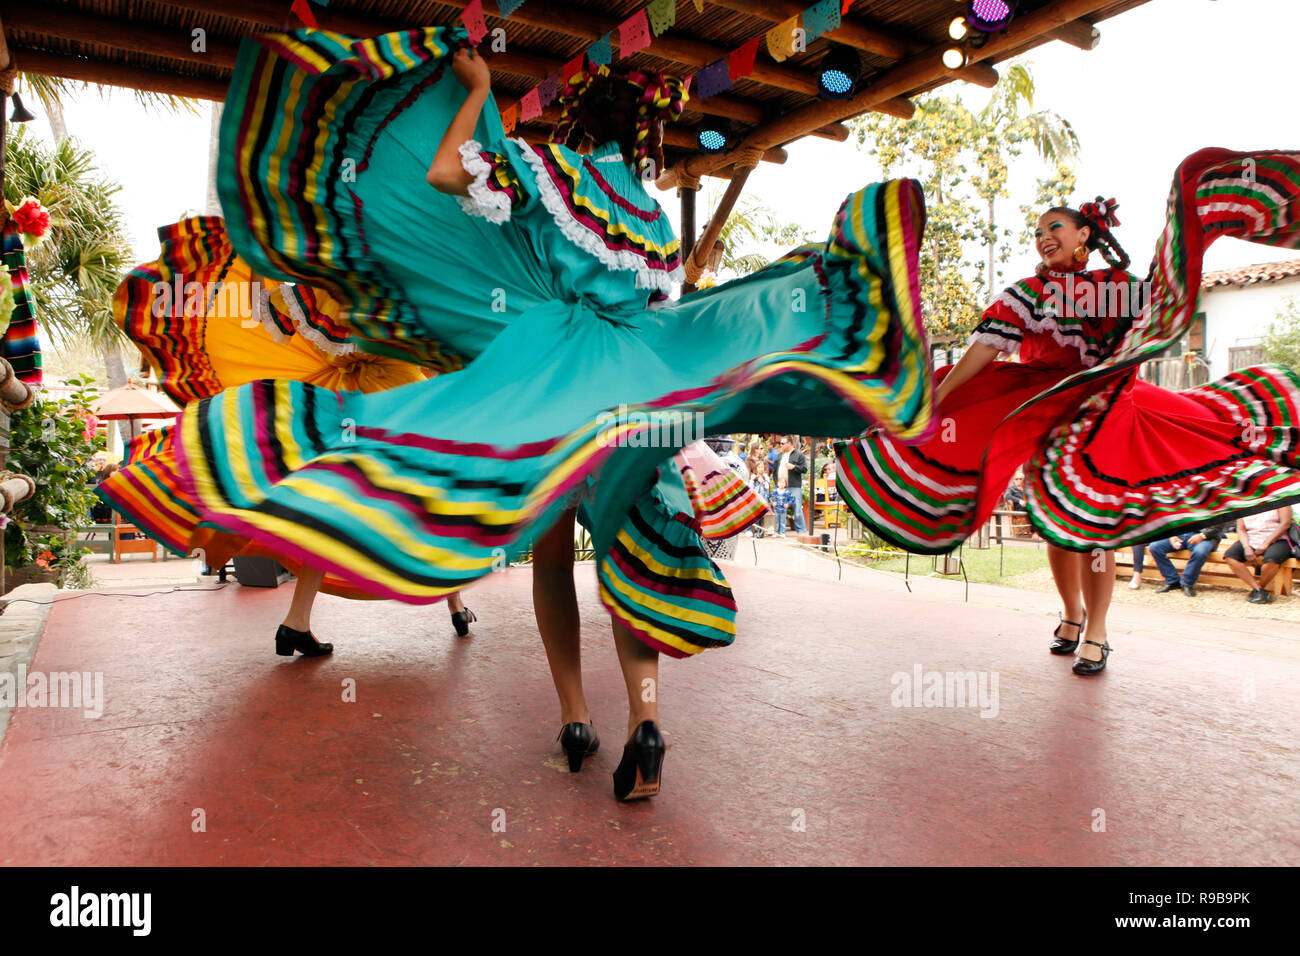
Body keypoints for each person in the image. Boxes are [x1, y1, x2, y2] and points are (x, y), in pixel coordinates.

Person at [184, 27, 935, 800]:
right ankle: (647, 719)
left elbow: (445, 172)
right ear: (646, 135)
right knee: (632, 547)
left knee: (551, 561)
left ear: (576, 124)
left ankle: (575, 715)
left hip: (559, 386)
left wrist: (476, 92)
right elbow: (661, 306)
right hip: (641, 393)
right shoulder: (653, 217)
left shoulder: (553, 172)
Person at [839, 148, 1300, 677]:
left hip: (1107, 414)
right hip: (1043, 414)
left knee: (1095, 525)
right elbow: (984, 351)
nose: (1043, 238)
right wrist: (937, 399)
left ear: (1085, 234)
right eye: (1037, 233)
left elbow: (1162, 309)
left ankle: (1098, 633)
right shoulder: (1029, 294)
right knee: (1057, 524)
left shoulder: (1121, 289)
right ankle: (1071, 613)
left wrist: (1185, 232)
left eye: (1054, 226)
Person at [96, 217, 480, 651]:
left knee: (331, 508)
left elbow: (277, 305)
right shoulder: (387, 270)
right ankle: (453, 605)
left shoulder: (322, 274)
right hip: (388, 391)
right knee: (440, 494)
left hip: (341, 393)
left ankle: (300, 621)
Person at [1223, 508, 1296, 603]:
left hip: (1278, 539)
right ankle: (1257, 589)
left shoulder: (1280, 501)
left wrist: (1266, 543)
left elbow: (1285, 524)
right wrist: (1246, 547)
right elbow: (1241, 529)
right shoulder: (1243, 504)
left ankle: (1259, 588)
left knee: (1272, 559)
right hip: (1251, 539)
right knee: (1230, 556)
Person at [1148, 521, 1231, 597]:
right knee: (1155, 547)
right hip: (1182, 534)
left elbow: (1220, 522)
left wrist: (1202, 536)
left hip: (1206, 537)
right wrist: (1172, 536)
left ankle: (1187, 583)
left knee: (1200, 552)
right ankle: (1172, 580)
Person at [774, 436, 808, 535]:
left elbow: (804, 469)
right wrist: (776, 482)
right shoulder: (780, 455)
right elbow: (775, 470)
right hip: (781, 487)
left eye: (783, 443)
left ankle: (801, 532)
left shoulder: (798, 455)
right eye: (780, 443)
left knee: (797, 509)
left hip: (794, 486)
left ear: (790, 443)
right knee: (780, 509)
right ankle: (780, 532)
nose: (781, 445)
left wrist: (794, 467)